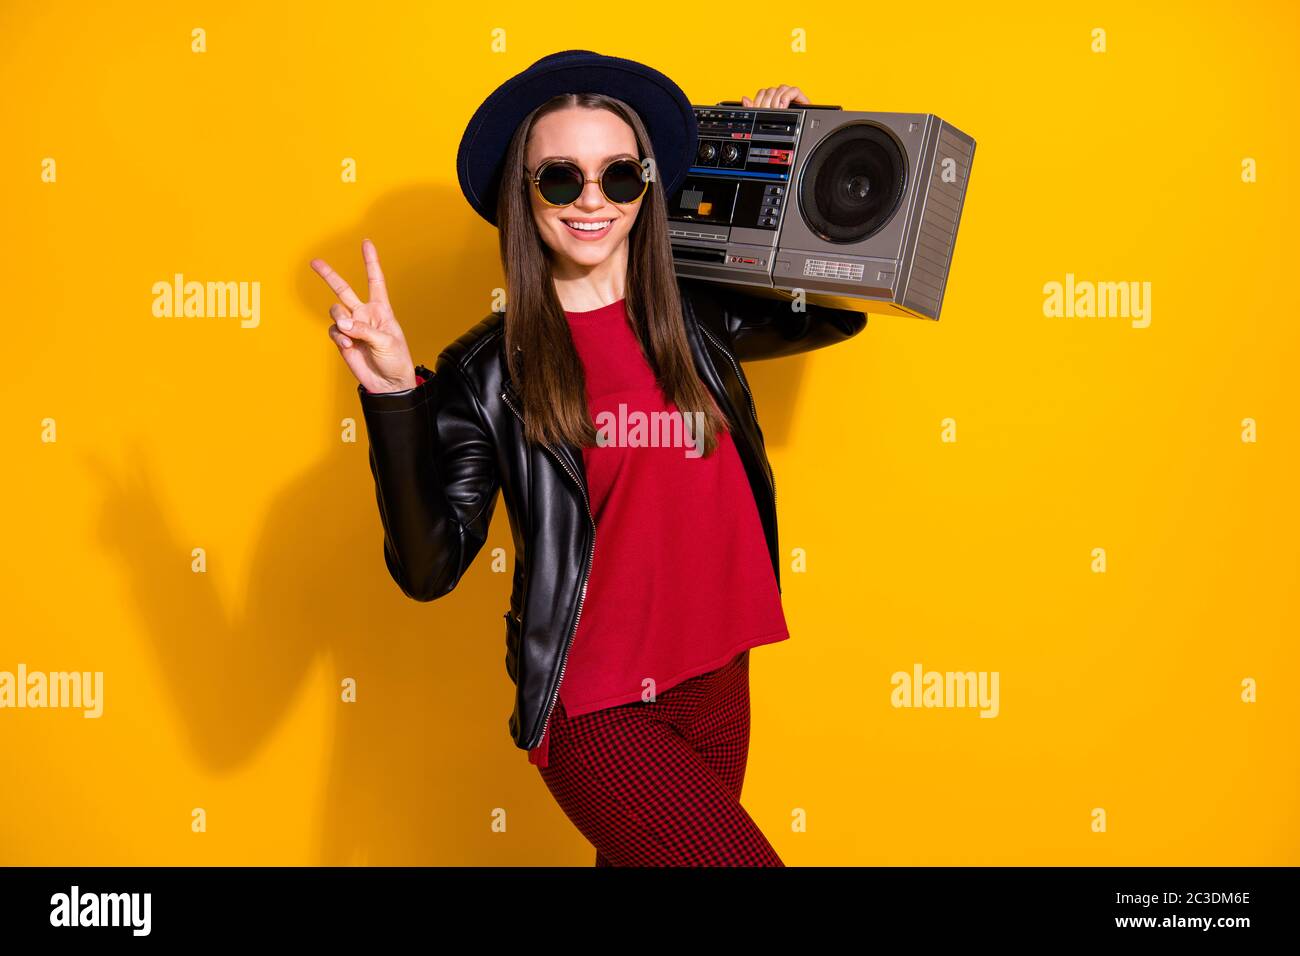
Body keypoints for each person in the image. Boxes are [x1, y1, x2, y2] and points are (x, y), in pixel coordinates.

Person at [310, 50, 867, 866]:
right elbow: (429, 568)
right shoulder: (486, 372)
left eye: (620, 175)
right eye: (562, 179)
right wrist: (398, 398)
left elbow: (836, 306)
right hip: (601, 710)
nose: (593, 201)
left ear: (647, 185)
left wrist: (785, 152)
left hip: (719, 678)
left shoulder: (695, 317)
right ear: (524, 194)